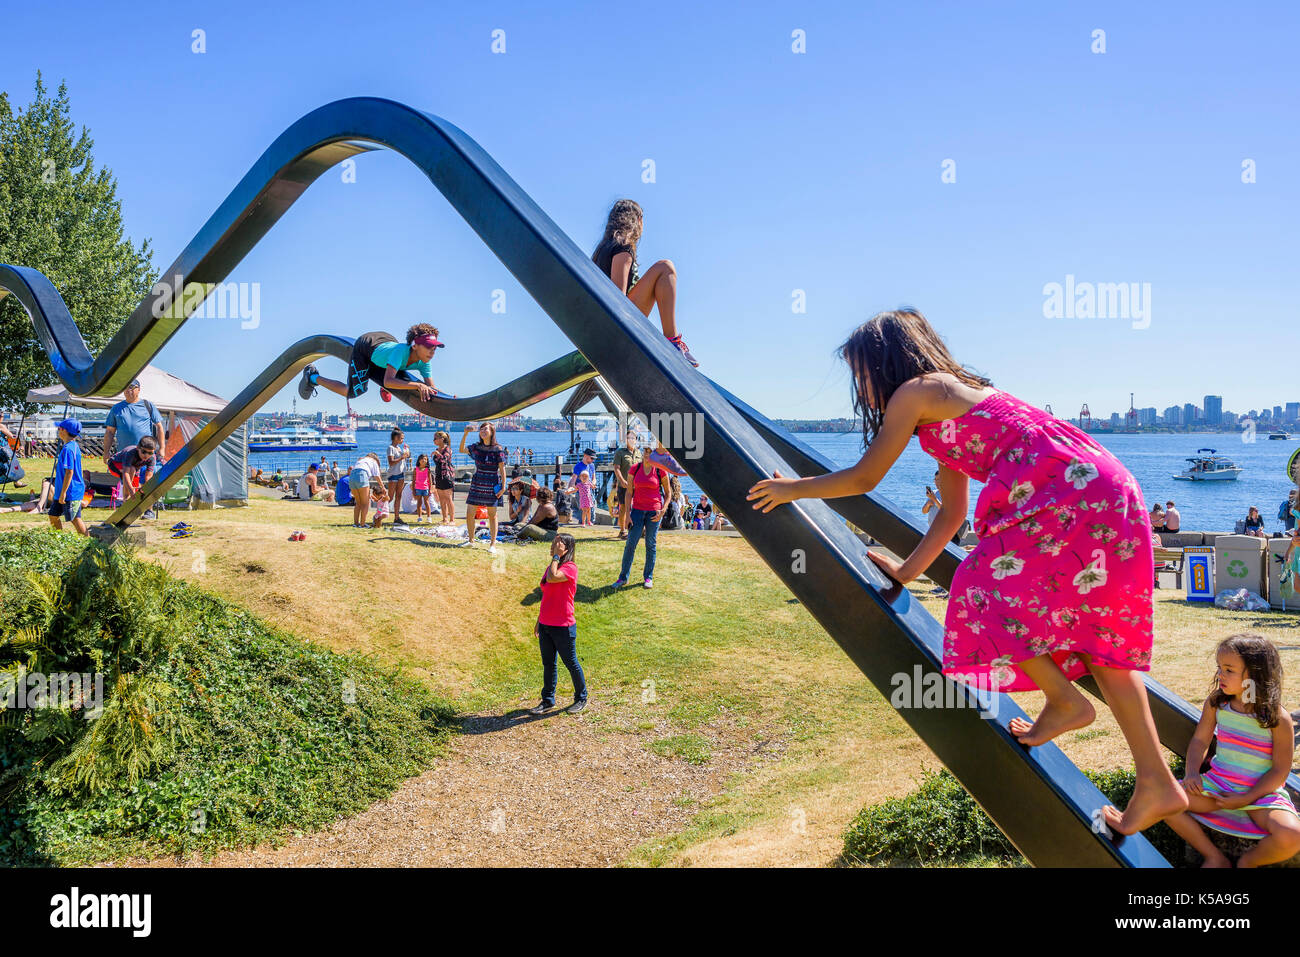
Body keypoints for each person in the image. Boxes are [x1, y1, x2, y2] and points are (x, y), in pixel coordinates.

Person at [746, 308, 1185, 836]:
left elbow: (865, 476)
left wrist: (792, 488)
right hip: (1103, 485)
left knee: (978, 585)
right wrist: (906, 572)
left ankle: (1064, 700)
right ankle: (1158, 781)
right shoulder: (950, 401)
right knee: (1097, 640)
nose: (860, 385)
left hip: (1066, 487)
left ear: (886, 360)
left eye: (861, 372)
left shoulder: (916, 391)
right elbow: (952, 515)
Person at [1163, 635, 1300, 867]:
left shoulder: (1278, 718)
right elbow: (1199, 741)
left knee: (1292, 834)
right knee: (1162, 799)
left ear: (1256, 674)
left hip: (1260, 797)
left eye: (1228, 670)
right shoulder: (1217, 703)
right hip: (1218, 787)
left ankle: (1247, 863)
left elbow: (1280, 770)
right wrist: (1192, 773)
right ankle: (1214, 857)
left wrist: (1246, 798)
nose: (1220, 675)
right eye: (1219, 668)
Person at [591, 198, 697, 367]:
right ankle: (673, 341)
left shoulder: (603, 249)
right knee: (665, 267)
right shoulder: (622, 247)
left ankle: (671, 342)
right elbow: (616, 298)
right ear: (637, 220)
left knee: (662, 271)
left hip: (602, 328)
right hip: (615, 326)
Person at [299, 323, 446, 405]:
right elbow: (388, 381)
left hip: (386, 341)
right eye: (428, 346)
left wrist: (449, 398)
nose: (432, 351)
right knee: (353, 391)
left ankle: (385, 388)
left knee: (399, 374)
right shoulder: (401, 352)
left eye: (434, 347)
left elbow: (432, 388)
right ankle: (312, 377)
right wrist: (418, 385)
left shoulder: (425, 361)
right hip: (366, 346)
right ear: (414, 346)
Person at [529, 534, 587, 714]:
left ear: (567, 549)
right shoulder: (551, 566)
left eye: (558, 544)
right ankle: (547, 701)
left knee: (571, 662)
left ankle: (581, 698)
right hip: (546, 623)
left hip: (563, 625)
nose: (554, 545)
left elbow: (553, 578)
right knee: (548, 663)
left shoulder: (570, 568)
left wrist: (556, 557)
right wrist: (539, 619)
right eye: (554, 543)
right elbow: (547, 594)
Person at [103, 377, 166, 517]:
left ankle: (148, 510)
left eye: (132, 387)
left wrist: (162, 448)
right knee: (127, 481)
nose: (128, 390)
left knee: (147, 482)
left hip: (147, 453)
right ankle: (128, 509)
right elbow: (109, 432)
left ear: (138, 389)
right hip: (126, 455)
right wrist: (106, 452)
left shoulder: (147, 405)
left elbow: (160, 427)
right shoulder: (116, 408)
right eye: (126, 387)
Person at [612, 454, 671, 588]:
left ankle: (648, 578)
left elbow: (668, 493)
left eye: (650, 452)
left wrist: (663, 509)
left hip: (654, 512)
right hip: (637, 511)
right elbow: (628, 493)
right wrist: (627, 514)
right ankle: (623, 578)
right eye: (645, 451)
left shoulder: (660, 470)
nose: (647, 454)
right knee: (630, 544)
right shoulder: (634, 468)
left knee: (650, 544)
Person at [460, 422, 507, 554]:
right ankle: (470, 540)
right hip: (478, 481)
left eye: (486, 429)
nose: (483, 431)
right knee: (470, 512)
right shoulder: (477, 447)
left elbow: (502, 468)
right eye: (481, 429)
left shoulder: (498, 449)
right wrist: (465, 433)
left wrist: (504, 486)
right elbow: (461, 449)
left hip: (492, 482)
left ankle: (492, 544)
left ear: (492, 432)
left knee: (492, 515)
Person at [50, 419, 88, 536]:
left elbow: (69, 472)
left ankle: (88, 544)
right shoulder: (72, 446)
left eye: (59, 428)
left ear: (64, 430)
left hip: (70, 491)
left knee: (75, 518)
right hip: (62, 490)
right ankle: (58, 540)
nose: (58, 431)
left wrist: (63, 493)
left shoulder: (68, 449)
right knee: (53, 515)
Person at [107, 437, 160, 511]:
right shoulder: (130, 453)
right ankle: (125, 499)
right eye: (144, 452)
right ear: (138, 448)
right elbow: (126, 473)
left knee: (136, 485)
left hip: (133, 468)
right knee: (131, 472)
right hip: (114, 464)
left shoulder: (152, 458)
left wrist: (149, 490)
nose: (146, 455)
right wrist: (130, 490)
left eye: (150, 453)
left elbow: (148, 477)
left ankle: (148, 510)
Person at [612, 429, 643, 540]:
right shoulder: (620, 452)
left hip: (637, 486)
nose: (630, 440)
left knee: (639, 507)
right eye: (628, 438)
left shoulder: (639, 453)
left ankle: (639, 529)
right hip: (624, 485)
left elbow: (642, 469)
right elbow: (616, 468)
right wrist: (622, 481)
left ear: (636, 440)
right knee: (624, 507)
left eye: (633, 438)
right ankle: (622, 530)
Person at [386, 428, 412, 525]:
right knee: (390, 497)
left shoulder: (399, 448)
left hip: (401, 473)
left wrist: (407, 453)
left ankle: (397, 517)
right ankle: (379, 513)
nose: (402, 440)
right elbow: (391, 462)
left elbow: (405, 458)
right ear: (395, 438)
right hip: (393, 475)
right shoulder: (391, 448)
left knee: (399, 496)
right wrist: (402, 457)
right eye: (401, 438)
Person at [348, 453, 382, 527]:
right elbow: (377, 476)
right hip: (362, 475)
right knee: (365, 503)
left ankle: (356, 523)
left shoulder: (361, 460)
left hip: (352, 477)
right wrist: (382, 487)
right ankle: (362, 524)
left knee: (358, 503)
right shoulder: (373, 461)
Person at [432, 431, 456, 525]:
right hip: (438, 475)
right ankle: (444, 518)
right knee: (441, 498)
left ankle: (452, 520)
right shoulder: (437, 449)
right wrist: (437, 453)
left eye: (435, 438)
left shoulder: (448, 449)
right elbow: (437, 461)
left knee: (448, 498)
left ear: (442, 439)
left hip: (447, 476)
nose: (434, 440)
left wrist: (437, 454)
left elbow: (444, 460)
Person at [411, 453, 434, 522]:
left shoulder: (428, 470)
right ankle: (419, 517)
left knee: (427, 502)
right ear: (419, 460)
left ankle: (429, 517)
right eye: (422, 459)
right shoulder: (416, 469)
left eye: (425, 459)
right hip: (418, 488)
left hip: (426, 488)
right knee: (419, 503)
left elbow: (430, 481)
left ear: (427, 461)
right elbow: (413, 480)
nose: (423, 460)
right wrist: (413, 490)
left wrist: (430, 489)